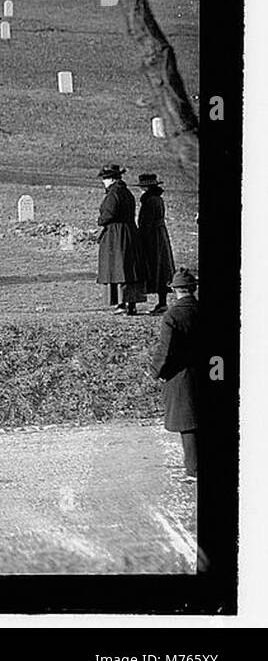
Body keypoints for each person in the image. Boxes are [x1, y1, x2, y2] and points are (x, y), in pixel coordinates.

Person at [148, 267, 203, 480]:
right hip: (206, 371)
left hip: (181, 375)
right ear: (193, 289)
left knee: (187, 423)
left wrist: (155, 371)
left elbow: (166, 349)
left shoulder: (173, 315)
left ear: (175, 290)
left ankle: (193, 470)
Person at [96, 163, 145, 314]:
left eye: (105, 179)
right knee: (129, 268)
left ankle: (121, 303)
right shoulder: (127, 193)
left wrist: (100, 220)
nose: (103, 182)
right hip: (130, 232)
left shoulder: (113, 194)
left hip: (116, 234)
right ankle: (131, 304)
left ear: (110, 179)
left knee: (118, 268)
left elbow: (109, 214)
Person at [137, 172, 176, 315]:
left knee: (156, 267)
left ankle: (162, 303)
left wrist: (141, 237)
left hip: (152, 238)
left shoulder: (150, 201)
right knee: (161, 268)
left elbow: (146, 222)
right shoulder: (157, 199)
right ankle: (162, 302)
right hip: (159, 235)